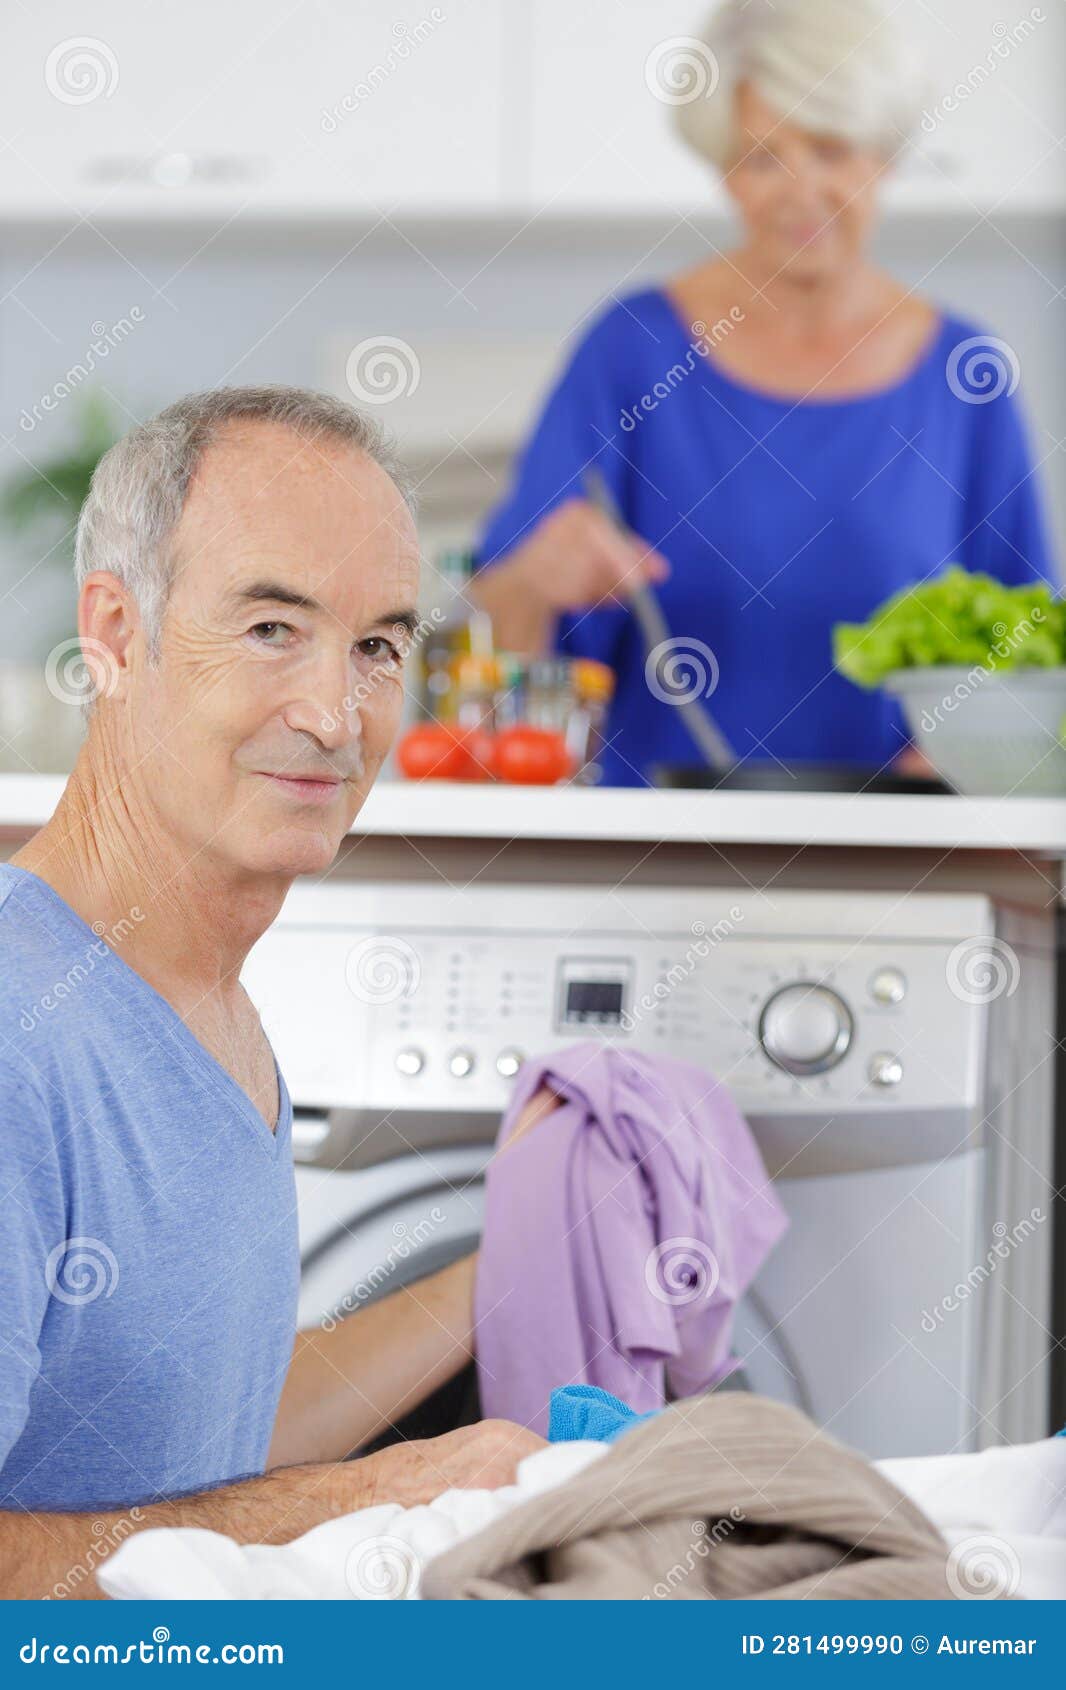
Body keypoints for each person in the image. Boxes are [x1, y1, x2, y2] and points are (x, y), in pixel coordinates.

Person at [0, 387, 556, 1599]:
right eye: (269, 629)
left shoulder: (216, 1015)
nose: (332, 716)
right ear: (115, 630)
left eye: (377, 647)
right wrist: (364, 1497)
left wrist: (500, 1274)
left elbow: (192, 1445)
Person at [471, 0, 1058, 787]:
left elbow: (1032, 658)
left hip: (905, 863)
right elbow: (501, 638)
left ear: (883, 156)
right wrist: (528, 582)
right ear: (721, 171)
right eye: (761, 158)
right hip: (657, 855)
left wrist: (975, 750)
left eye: (829, 149)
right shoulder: (631, 353)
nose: (799, 189)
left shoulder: (966, 376)